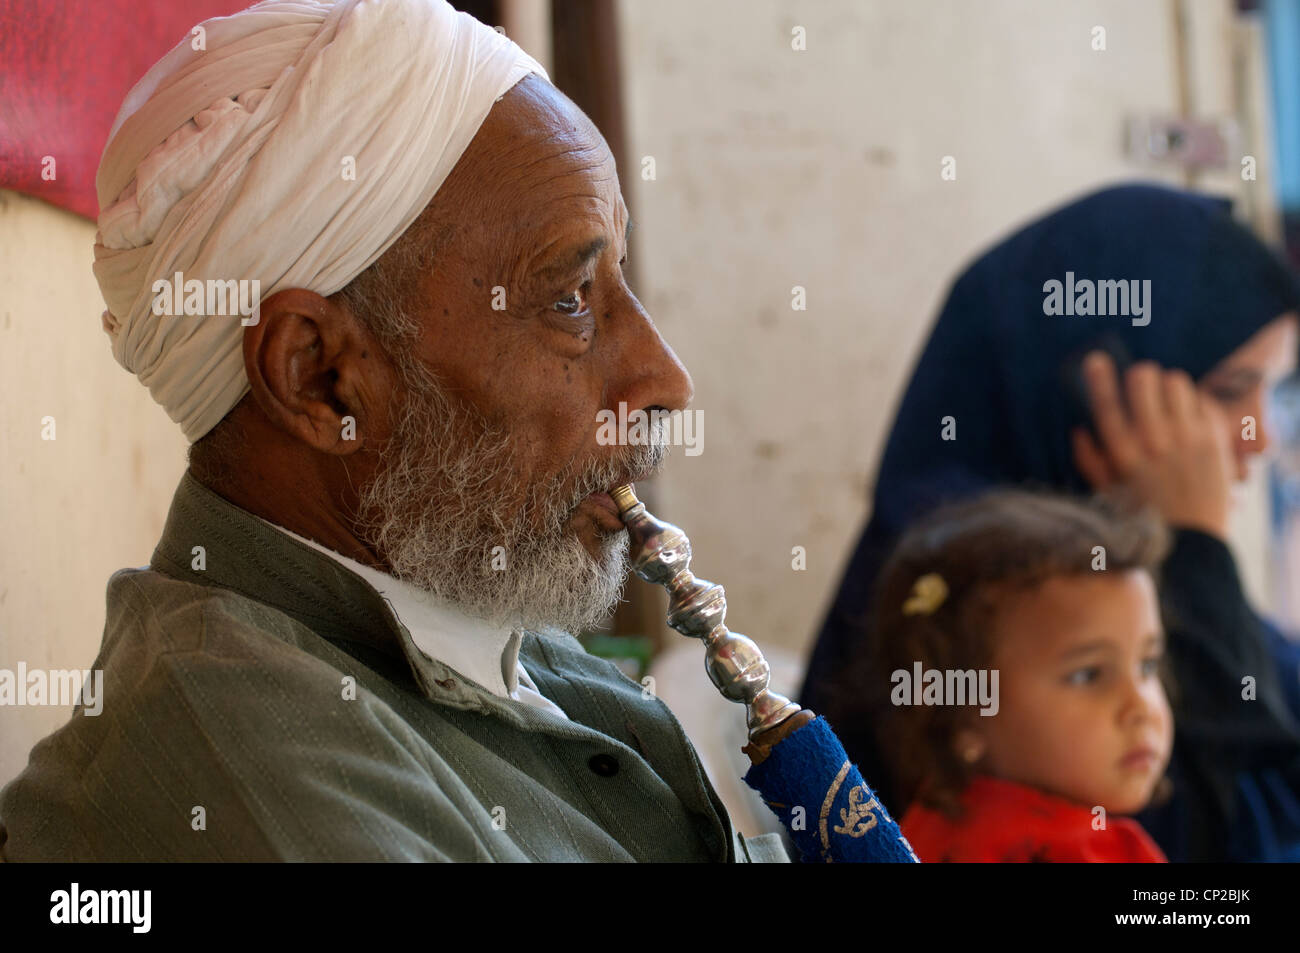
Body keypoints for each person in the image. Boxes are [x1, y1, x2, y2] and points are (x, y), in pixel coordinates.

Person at [0, 0, 791, 862]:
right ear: (321, 377)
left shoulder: (483, 631)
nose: (665, 380)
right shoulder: (258, 782)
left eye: (617, 282)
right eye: (569, 301)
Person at [800, 183, 1300, 861]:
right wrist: (1194, 554)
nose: (1261, 438)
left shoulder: (1125, 586)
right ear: (1088, 378)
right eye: (1231, 391)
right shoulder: (968, 587)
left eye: (1274, 392)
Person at [863, 490, 1172, 863]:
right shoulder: (1089, 851)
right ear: (965, 711)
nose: (1141, 707)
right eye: (1088, 675)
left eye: (1148, 666)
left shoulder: (922, 829)